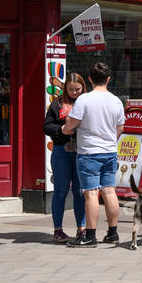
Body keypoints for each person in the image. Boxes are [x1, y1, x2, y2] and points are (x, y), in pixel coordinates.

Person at [61, 61, 125, 247]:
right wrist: (110, 140)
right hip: (110, 151)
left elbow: (71, 124)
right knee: (110, 191)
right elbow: (119, 128)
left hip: (89, 152)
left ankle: (90, 235)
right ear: (108, 79)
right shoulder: (116, 100)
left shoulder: (84, 99)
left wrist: (65, 128)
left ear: (89, 79)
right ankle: (113, 233)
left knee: (91, 194)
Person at [43, 72, 87, 243]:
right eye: (71, 89)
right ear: (65, 88)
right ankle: (58, 230)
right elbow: (46, 126)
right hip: (61, 150)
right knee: (60, 191)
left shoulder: (87, 102)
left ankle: (81, 228)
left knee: (79, 192)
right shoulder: (57, 104)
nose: (75, 92)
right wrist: (61, 130)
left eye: (78, 89)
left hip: (81, 151)